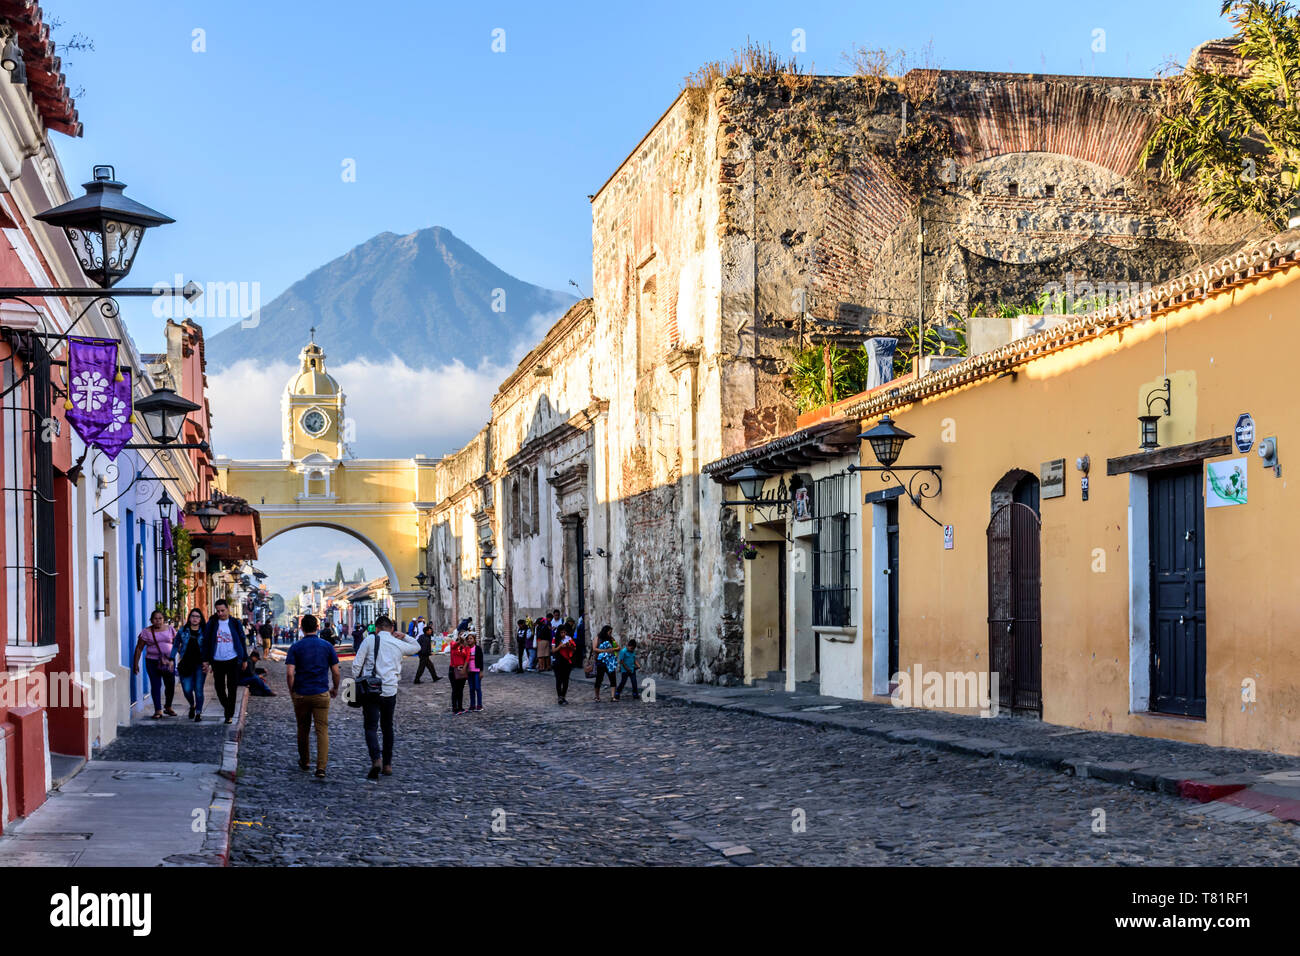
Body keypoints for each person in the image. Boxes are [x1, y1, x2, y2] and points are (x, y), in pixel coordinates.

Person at [352, 615, 420, 780]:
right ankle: (388, 765)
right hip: (390, 690)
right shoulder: (398, 643)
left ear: (377, 628)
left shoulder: (369, 640)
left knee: (370, 727)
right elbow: (416, 647)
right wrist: (404, 636)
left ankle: (376, 759)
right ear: (391, 628)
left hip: (370, 690)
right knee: (387, 727)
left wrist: (357, 682)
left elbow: (356, 665)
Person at [285, 613, 340, 778]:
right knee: (322, 730)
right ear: (317, 628)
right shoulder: (327, 646)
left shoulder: (295, 647)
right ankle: (321, 767)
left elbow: (289, 674)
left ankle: (305, 761)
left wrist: (291, 690)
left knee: (303, 729)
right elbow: (336, 672)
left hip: (301, 693)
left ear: (301, 628)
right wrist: (335, 688)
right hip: (321, 693)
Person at [201, 598, 250, 724]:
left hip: (233, 659)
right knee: (219, 688)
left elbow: (242, 639)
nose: (220, 613)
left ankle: (229, 714)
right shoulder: (212, 623)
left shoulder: (235, 623)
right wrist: (206, 660)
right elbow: (206, 642)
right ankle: (228, 707)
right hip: (217, 660)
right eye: (218, 611)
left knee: (232, 687)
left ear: (228, 609)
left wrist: (244, 658)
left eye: (222, 610)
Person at [132, 609, 178, 719]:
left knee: (170, 684)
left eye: (160, 618)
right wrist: (135, 663)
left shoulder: (170, 629)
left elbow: (177, 644)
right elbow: (139, 648)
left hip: (168, 662)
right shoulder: (146, 632)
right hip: (152, 662)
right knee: (156, 685)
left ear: (164, 620)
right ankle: (158, 710)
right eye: (155, 619)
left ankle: (168, 706)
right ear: (151, 620)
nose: (158, 621)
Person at [173, 609, 208, 720]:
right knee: (187, 689)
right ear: (189, 617)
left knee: (198, 690)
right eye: (193, 616)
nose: (195, 618)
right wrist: (170, 658)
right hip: (186, 664)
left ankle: (198, 713)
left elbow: (210, 648)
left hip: (199, 665)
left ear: (201, 619)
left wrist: (209, 662)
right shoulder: (182, 631)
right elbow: (175, 645)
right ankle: (192, 705)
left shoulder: (205, 632)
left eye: (197, 616)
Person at [592, 625, 619, 702]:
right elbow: (594, 649)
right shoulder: (598, 638)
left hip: (610, 662)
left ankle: (613, 697)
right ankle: (597, 696)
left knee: (613, 678)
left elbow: (618, 647)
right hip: (601, 662)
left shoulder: (611, 638)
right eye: (609, 632)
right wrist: (605, 651)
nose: (610, 634)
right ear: (605, 631)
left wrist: (612, 649)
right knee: (599, 679)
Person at [552, 623, 576, 705]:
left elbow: (574, 648)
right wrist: (560, 646)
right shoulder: (555, 639)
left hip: (566, 662)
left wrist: (570, 646)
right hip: (558, 662)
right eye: (562, 632)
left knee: (566, 680)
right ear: (559, 632)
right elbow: (553, 650)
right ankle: (559, 697)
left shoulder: (569, 638)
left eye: (564, 632)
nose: (563, 634)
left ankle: (563, 696)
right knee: (559, 680)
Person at [448, 628, 470, 715]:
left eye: (464, 635)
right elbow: (453, 647)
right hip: (453, 669)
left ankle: (460, 707)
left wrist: (464, 668)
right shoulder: (453, 644)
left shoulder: (466, 647)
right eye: (461, 634)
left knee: (461, 689)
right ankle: (454, 708)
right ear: (458, 635)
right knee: (455, 689)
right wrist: (459, 641)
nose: (462, 636)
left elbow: (467, 658)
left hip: (462, 669)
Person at [466, 632, 484, 712]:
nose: (469, 640)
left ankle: (479, 705)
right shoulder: (466, 649)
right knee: (471, 689)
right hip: (469, 672)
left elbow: (481, 661)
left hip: (477, 671)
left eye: (471, 638)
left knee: (477, 687)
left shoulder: (478, 648)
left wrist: (481, 671)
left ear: (474, 640)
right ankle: (472, 705)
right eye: (468, 639)